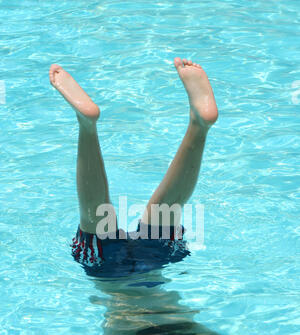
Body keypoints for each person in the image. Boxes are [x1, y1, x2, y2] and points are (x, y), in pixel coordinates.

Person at [49, 58, 218, 276]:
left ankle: (199, 125)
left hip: (155, 260)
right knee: (96, 215)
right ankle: (87, 126)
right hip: (122, 270)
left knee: (167, 208)